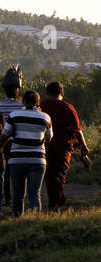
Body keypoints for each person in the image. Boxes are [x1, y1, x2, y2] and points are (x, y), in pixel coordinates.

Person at [0, 90, 52, 216]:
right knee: (34, 194)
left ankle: (17, 219)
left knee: (18, 194)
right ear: (38, 103)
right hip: (38, 160)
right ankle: (35, 221)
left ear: (23, 101)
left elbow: (4, 137)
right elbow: (49, 138)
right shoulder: (45, 117)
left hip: (17, 160)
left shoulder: (14, 115)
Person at [40, 81, 93, 210]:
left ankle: (56, 203)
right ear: (61, 93)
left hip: (43, 147)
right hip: (62, 149)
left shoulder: (41, 106)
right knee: (58, 177)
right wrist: (84, 147)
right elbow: (77, 130)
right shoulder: (68, 107)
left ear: (47, 93)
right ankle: (56, 205)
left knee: (50, 177)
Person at [0, 67, 23, 215]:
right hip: (16, 143)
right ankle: (11, 198)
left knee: (3, 172)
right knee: (13, 171)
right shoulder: (22, 107)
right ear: (17, 90)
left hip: (1, 142)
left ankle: (5, 198)